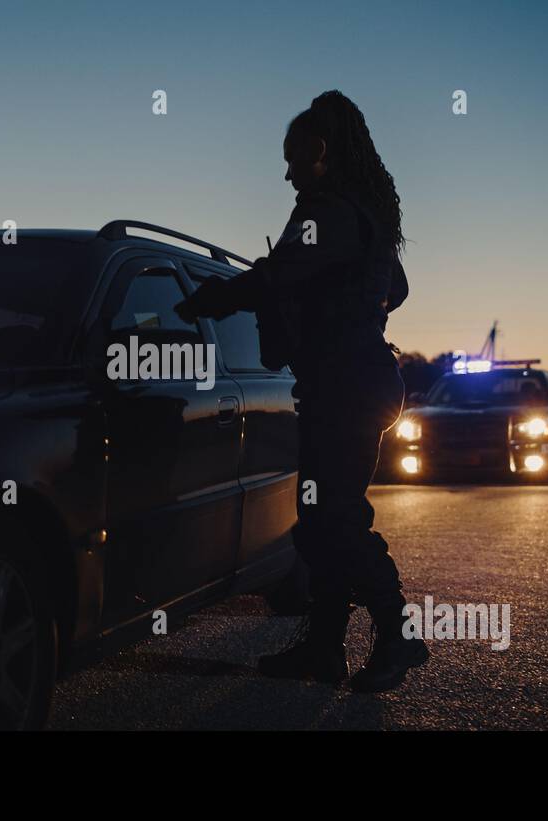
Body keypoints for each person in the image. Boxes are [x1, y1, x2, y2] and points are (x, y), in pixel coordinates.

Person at [175, 90, 427, 692]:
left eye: (292, 158)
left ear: (318, 150)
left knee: (331, 521)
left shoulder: (328, 211)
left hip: (345, 386)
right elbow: (399, 285)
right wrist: (355, 308)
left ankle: (396, 638)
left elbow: (276, 274)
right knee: (323, 517)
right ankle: (323, 647)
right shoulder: (362, 214)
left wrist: (211, 300)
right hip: (355, 381)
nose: (286, 172)